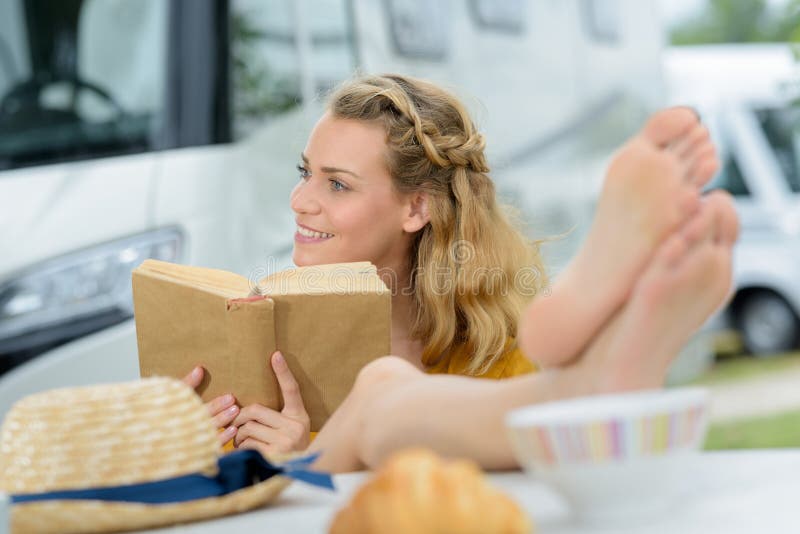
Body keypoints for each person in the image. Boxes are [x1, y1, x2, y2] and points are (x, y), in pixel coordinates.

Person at [183, 74, 720, 457]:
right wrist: (203, 451)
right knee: (383, 387)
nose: (300, 200)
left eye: (337, 183)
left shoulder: (497, 349)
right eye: (306, 172)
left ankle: (591, 372)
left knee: (384, 386)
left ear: (416, 207)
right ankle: (588, 374)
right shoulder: (256, 346)